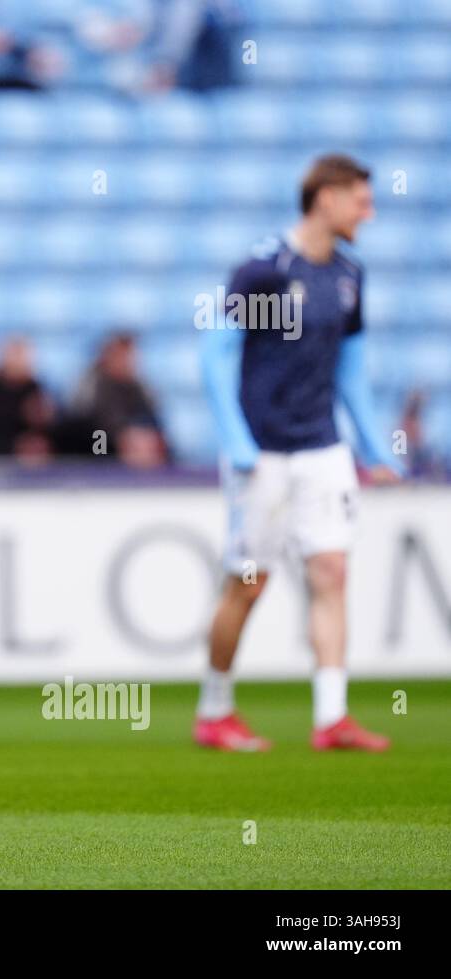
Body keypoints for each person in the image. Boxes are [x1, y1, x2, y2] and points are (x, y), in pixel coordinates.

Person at [197, 154, 403, 753]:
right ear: (327, 198)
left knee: (331, 571)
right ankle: (215, 710)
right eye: (361, 200)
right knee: (249, 582)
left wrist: (373, 447)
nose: (369, 211)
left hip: (322, 447)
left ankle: (332, 717)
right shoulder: (264, 268)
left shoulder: (348, 276)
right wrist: (237, 442)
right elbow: (215, 356)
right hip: (262, 451)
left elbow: (352, 372)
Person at [69, 330, 170, 466]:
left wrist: (146, 438)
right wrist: (120, 440)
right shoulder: (91, 386)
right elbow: (84, 427)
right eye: (122, 355)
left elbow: (153, 421)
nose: (128, 361)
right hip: (98, 458)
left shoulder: (138, 387)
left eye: (130, 355)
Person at [0, 336, 56, 461]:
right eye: (15, 355)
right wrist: (16, 448)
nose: (19, 361)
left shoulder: (36, 389)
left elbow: (49, 432)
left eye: (22, 355)